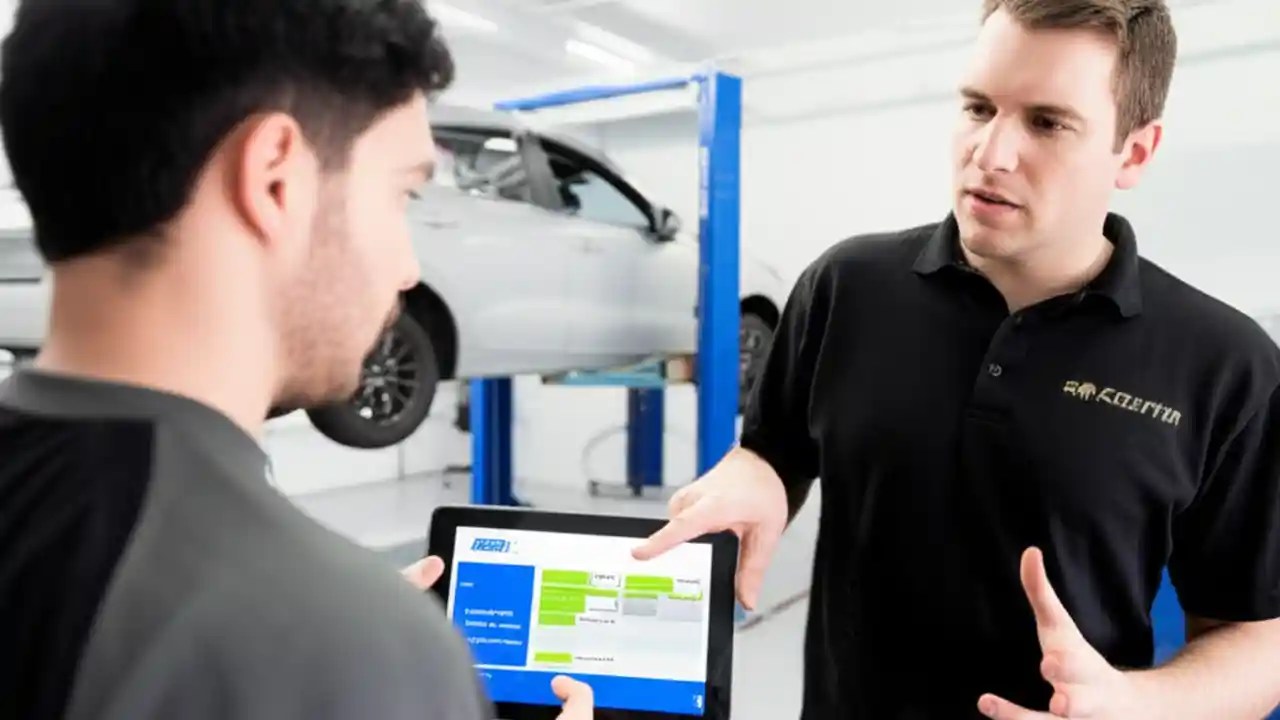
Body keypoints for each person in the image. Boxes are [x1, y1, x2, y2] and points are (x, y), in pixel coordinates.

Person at [635, 1, 1280, 718]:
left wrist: (1138, 706)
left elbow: (1258, 634)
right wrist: (752, 479)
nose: (992, 153)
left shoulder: (1225, 365)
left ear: (1133, 152)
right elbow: (773, 451)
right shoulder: (846, 286)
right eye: (978, 108)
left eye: (1047, 122)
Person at [0, 0, 592, 718]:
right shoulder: (359, 651)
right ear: (275, 179)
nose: (407, 269)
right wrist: (364, 658)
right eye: (402, 193)